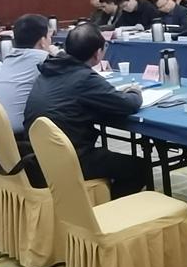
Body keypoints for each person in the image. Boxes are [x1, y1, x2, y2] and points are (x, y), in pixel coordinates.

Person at [24, 23, 146, 199]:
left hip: (38, 157)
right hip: (70, 159)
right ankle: (109, 210)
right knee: (139, 168)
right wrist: (135, 91)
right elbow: (128, 104)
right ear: (97, 54)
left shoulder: (48, 70)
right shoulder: (84, 78)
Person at [0, 14, 51, 134]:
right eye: (49, 37)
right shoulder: (44, 60)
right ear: (43, 41)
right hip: (20, 136)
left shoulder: (8, 59)